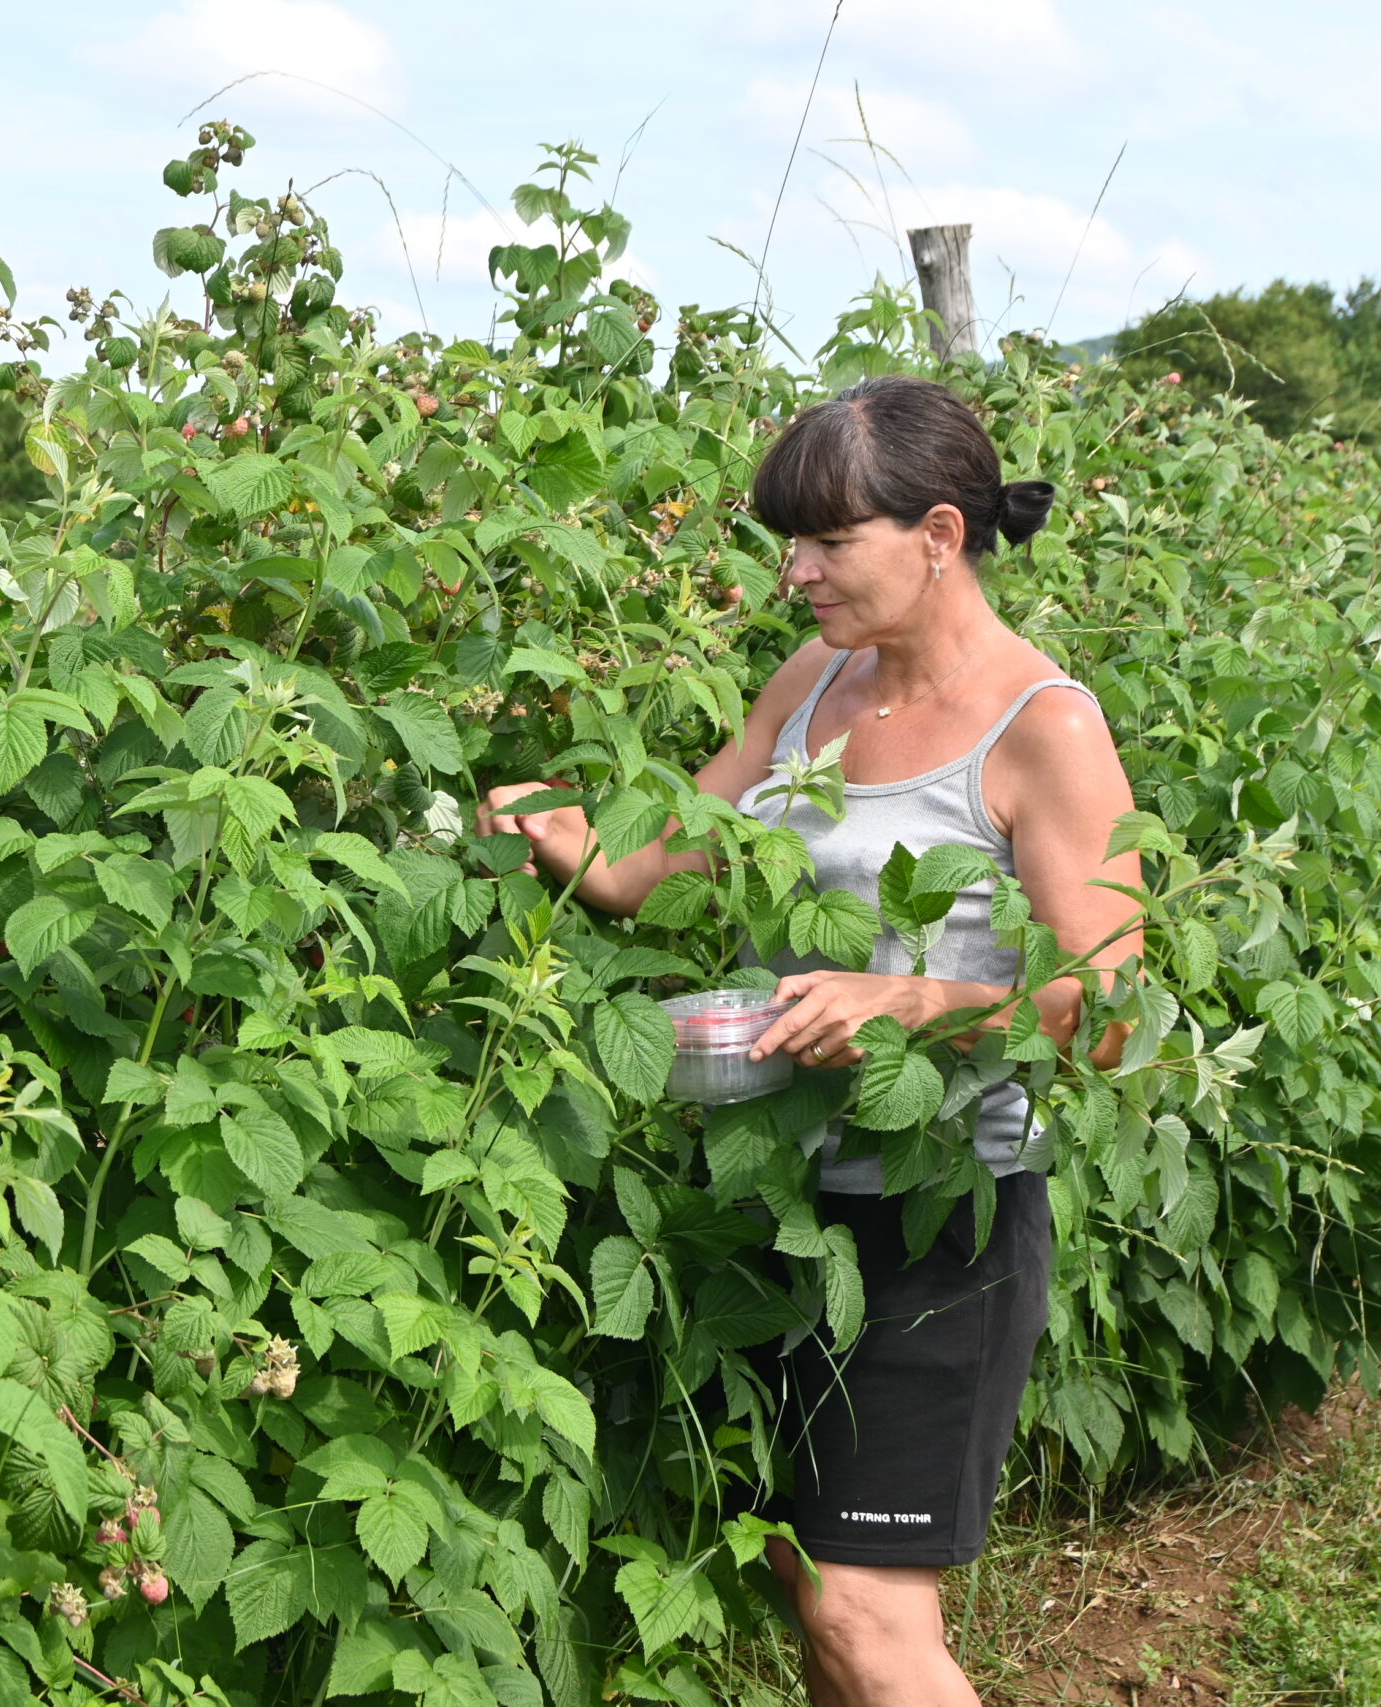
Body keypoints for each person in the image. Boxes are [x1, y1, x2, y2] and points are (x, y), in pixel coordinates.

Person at [476, 374, 1142, 1707]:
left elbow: (1109, 1012)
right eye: (793, 541)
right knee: (812, 1582)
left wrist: (914, 1004)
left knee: (864, 1614)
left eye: (830, 543)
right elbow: (659, 865)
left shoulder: (1044, 726)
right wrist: (555, 832)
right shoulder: (816, 680)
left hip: (940, 1209)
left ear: (938, 535)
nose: (797, 572)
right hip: (782, 1196)